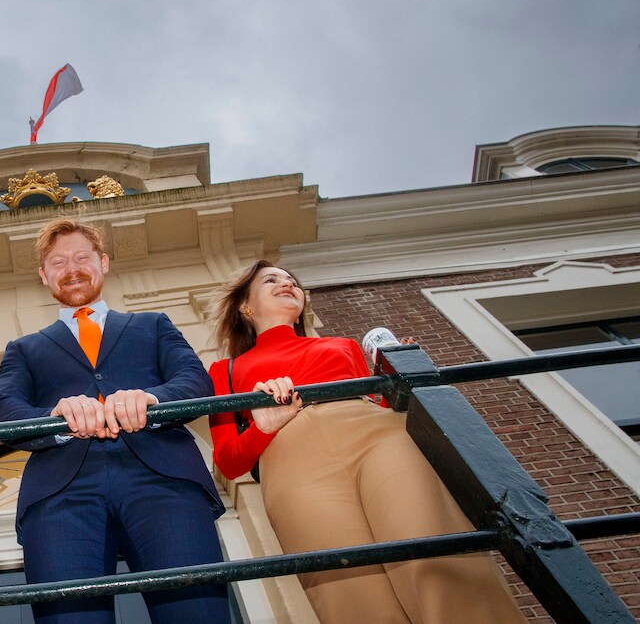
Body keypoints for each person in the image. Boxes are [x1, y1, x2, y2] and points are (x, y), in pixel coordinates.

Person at [208, 260, 524, 624]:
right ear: (245, 305)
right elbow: (229, 462)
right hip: (292, 462)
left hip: (375, 434)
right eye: (271, 280)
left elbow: (379, 403)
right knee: (351, 595)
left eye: (293, 280)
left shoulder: (341, 344)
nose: (288, 283)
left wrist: (404, 376)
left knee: (434, 551)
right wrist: (262, 426)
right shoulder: (225, 371)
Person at [0, 218, 230, 624]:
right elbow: (4, 412)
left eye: (82, 257)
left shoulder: (153, 325)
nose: (72, 268)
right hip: (60, 496)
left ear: (103, 262)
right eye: (59, 262)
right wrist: (54, 416)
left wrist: (151, 399)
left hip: (164, 481)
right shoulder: (23, 349)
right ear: (43, 275)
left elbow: (195, 382)